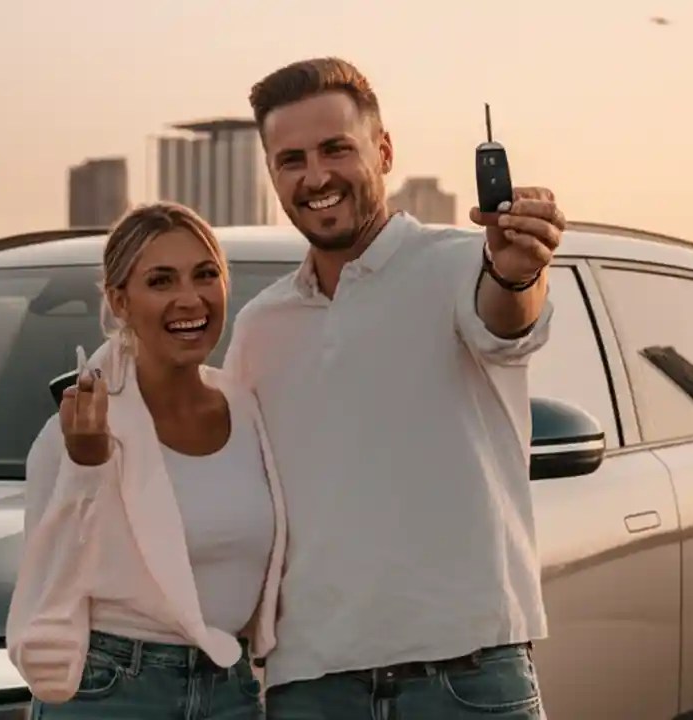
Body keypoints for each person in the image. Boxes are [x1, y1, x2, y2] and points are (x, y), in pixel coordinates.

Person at [223, 57, 566, 719]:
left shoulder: (466, 262)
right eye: (291, 159)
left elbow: (506, 321)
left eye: (335, 149)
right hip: (309, 684)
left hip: (465, 678)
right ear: (271, 173)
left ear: (382, 151)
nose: (316, 176)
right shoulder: (260, 325)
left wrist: (521, 273)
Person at [6, 202, 288, 719]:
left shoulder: (247, 409)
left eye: (206, 275)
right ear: (120, 301)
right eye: (161, 281)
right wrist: (87, 466)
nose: (190, 298)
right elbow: (50, 580)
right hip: (113, 690)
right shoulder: (78, 430)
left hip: (232, 691)